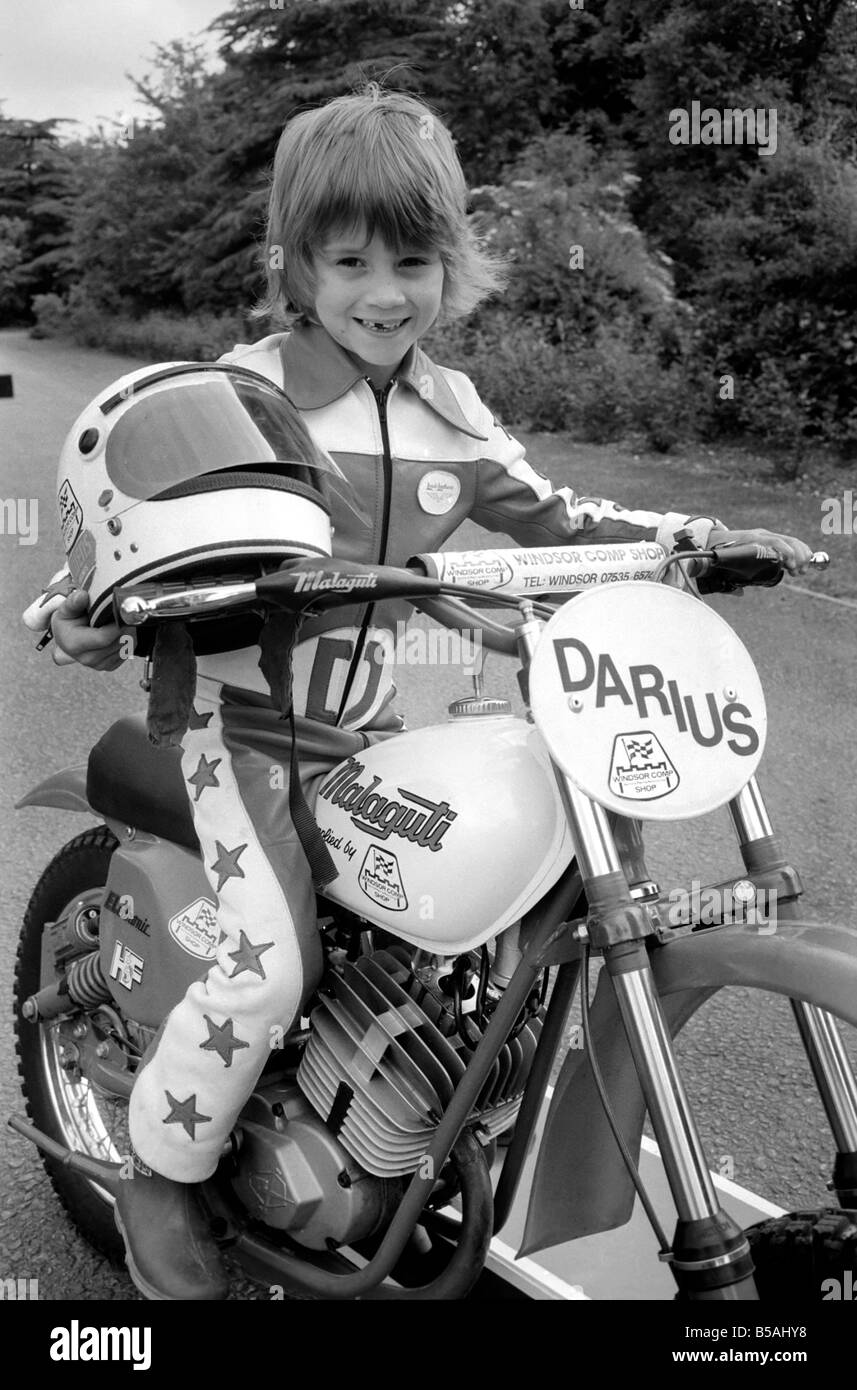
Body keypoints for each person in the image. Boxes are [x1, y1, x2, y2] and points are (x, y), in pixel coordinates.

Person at [45, 85, 813, 1299]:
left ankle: (418, 1101)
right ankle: (156, 1174)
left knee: (498, 892)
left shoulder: (455, 410)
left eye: (412, 259)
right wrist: (80, 607)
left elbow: (556, 517)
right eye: (348, 260)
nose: (383, 292)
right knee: (267, 969)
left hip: (384, 725)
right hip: (240, 731)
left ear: (451, 265)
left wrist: (690, 532)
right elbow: (122, 532)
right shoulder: (236, 397)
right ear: (293, 263)